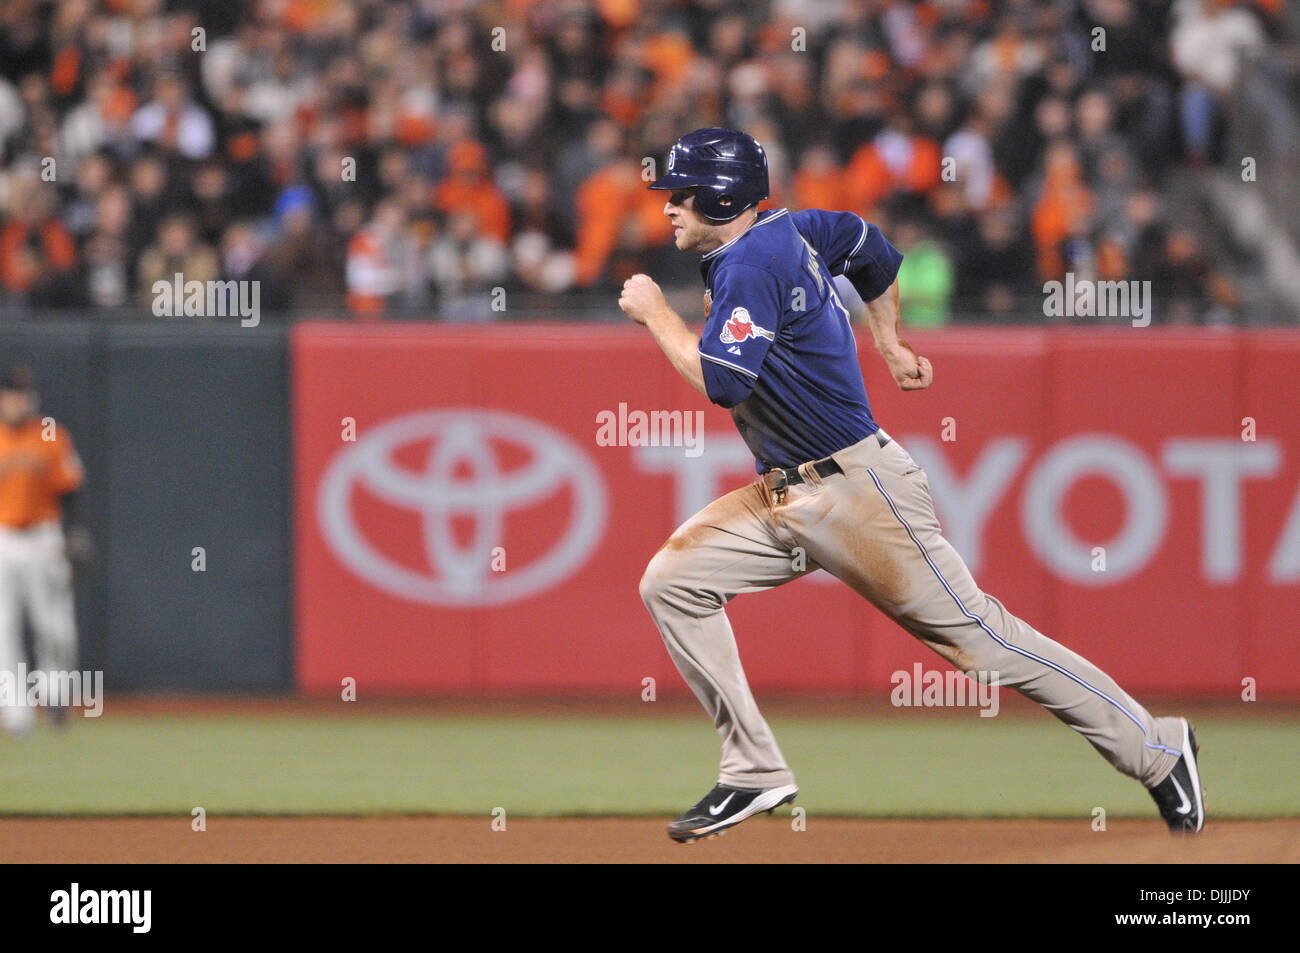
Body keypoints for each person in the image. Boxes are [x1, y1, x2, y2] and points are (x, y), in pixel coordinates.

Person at [617, 128, 1205, 843]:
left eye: (680, 193)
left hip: (858, 493)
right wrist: (888, 343)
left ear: (721, 194)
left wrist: (655, 314)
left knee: (984, 641)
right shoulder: (795, 227)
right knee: (672, 580)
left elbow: (720, 379)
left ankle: (1158, 747)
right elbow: (870, 250)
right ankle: (753, 768)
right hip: (784, 494)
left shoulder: (748, 263)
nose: (669, 207)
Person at [0, 366, 86, 736]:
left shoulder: (50, 434)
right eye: (11, 393)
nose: (18, 400)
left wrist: (75, 534)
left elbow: (71, 490)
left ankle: (54, 696)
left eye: (23, 394)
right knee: (3, 630)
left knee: (55, 629)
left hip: (43, 537)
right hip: (4, 537)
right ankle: (16, 714)